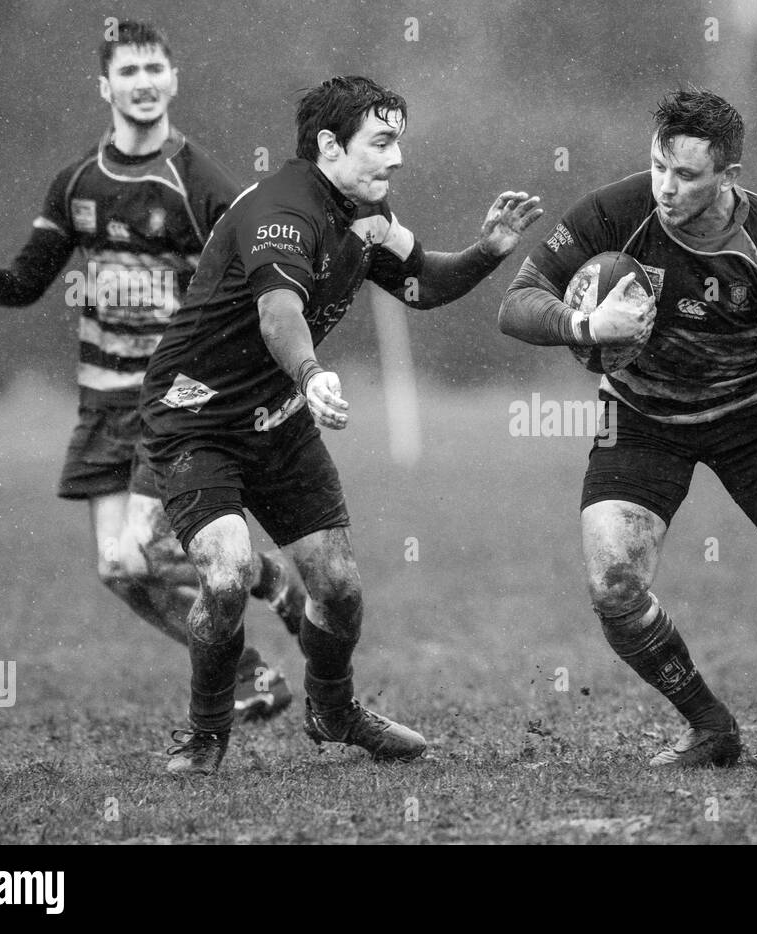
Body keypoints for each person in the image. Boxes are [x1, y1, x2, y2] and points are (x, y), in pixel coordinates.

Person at [139, 74, 544, 775]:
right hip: (196, 421)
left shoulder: (367, 209)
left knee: (339, 588)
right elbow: (278, 314)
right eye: (381, 142)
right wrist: (312, 373)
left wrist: (489, 250)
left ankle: (333, 711)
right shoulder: (282, 212)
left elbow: (421, 284)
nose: (397, 158)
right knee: (230, 573)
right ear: (330, 144)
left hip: (281, 424)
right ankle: (205, 738)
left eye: (400, 142)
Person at [498, 87, 757, 768]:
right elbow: (517, 304)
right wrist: (583, 325)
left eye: (687, 175)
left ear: (729, 177)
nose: (666, 189)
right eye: (659, 167)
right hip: (641, 418)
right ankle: (710, 725)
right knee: (613, 582)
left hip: (750, 417)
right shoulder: (615, 212)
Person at [0, 20, 303, 720]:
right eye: (129, 72)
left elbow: (250, 271)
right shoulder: (78, 182)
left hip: (171, 400)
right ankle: (253, 669)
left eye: (154, 70)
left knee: (148, 546)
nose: (143, 83)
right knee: (120, 569)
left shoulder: (196, 179)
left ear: (173, 80)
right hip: (100, 403)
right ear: (105, 86)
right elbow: (30, 279)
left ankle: (270, 580)